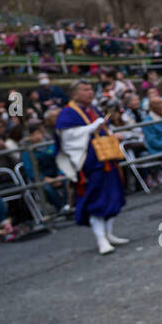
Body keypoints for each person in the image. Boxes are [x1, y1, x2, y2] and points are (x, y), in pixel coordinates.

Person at [54, 80, 128, 254]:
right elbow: (68, 137)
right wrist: (91, 128)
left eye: (91, 89)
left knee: (112, 195)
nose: (90, 92)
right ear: (74, 94)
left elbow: (102, 129)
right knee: (96, 198)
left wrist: (112, 135)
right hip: (89, 162)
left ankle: (109, 234)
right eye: (85, 89)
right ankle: (100, 238)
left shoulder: (92, 110)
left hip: (106, 158)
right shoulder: (68, 113)